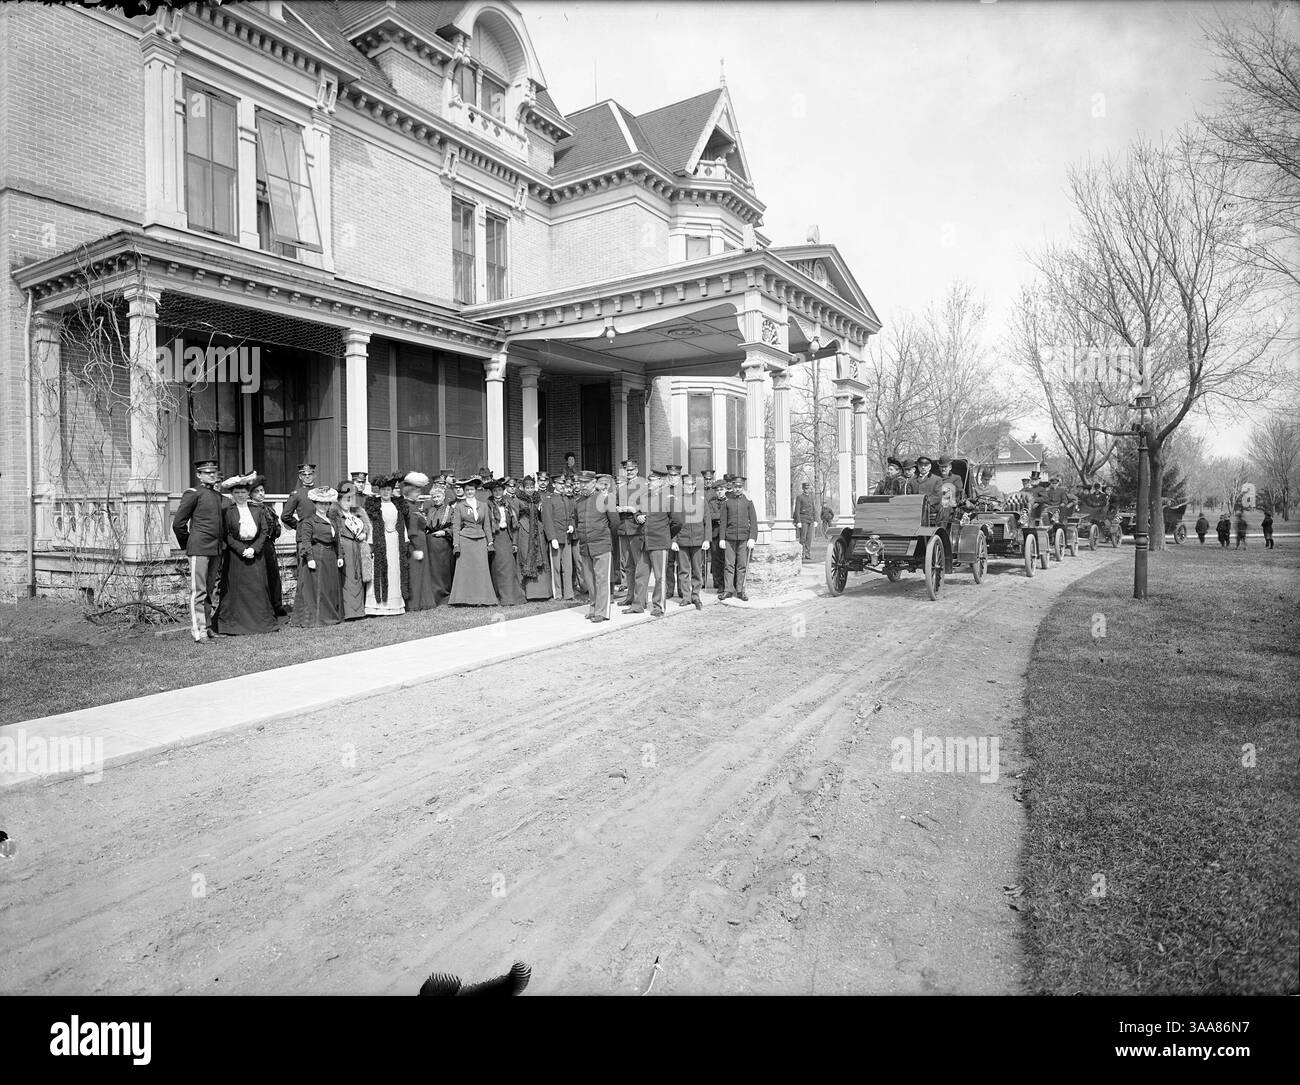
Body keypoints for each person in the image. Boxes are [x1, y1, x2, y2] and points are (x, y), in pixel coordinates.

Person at [172, 457, 228, 642]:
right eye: (207, 473)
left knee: (210, 590)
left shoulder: (218, 495)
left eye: (214, 472)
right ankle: (198, 631)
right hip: (199, 549)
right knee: (199, 591)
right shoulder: (193, 493)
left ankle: (207, 627)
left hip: (215, 549)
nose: (212, 475)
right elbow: (178, 524)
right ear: (198, 475)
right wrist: (190, 544)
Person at [214, 474, 277, 636]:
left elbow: (264, 531)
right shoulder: (227, 512)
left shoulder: (257, 511)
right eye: (237, 493)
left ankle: (260, 622)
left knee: (257, 587)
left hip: (256, 555)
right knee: (235, 588)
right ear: (232, 495)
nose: (240, 496)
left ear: (248, 494)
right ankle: (234, 623)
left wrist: (254, 549)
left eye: (243, 493)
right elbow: (226, 534)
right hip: (236, 555)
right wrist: (241, 549)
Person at [294, 486, 344, 627]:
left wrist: (340, 555)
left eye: (327, 503)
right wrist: (309, 558)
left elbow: (337, 540)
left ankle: (330, 614)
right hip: (317, 555)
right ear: (315, 504)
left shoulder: (332, 521)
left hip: (330, 557)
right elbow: (306, 541)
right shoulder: (309, 521)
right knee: (318, 588)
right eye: (321, 503)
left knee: (330, 587)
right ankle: (319, 617)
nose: (324, 506)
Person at [574, 471, 620, 623]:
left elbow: (615, 523)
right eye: (580, 483)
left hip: (601, 545)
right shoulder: (579, 501)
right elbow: (576, 521)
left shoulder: (605, 499)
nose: (583, 486)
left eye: (586, 483)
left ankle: (602, 611)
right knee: (590, 580)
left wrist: (603, 536)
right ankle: (593, 608)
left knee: (602, 579)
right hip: (585, 546)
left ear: (594, 483)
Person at [449, 476, 498, 605]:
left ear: (475, 491)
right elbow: (456, 527)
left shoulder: (483, 505)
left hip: (480, 540)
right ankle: (463, 599)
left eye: (472, 489)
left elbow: (487, 525)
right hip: (465, 540)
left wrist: (490, 542)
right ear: (464, 491)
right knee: (465, 571)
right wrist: (456, 544)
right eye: (467, 490)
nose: (470, 492)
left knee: (481, 570)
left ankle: (483, 599)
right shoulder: (459, 506)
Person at [364, 474, 408, 617]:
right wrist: (371, 545)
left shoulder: (397, 505)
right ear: (379, 490)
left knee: (394, 570)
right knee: (380, 568)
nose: (386, 492)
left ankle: (394, 605)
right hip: (380, 540)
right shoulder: (375, 506)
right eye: (383, 489)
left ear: (392, 490)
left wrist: (404, 540)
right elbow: (371, 525)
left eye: (388, 489)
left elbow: (401, 524)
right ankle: (377, 606)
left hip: (395, 541)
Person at [640, 469, 682, 617]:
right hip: (645, 541)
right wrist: (638, 516)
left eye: (651, 480)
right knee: (641, 574)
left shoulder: (668, 498)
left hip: (659, 541)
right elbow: (639, 512)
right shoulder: (645, 497)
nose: (648, 483)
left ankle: (659, 606)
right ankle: (638, 604)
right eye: (648, 480)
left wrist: (666, 535)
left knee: (660, 577)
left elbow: (677, 521)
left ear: (660, 482)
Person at [614, 458, 649, 614]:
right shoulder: (621, 488)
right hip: (624, 528)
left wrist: (633, 508)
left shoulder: (643, 485)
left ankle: (640, 600)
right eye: (627, 470)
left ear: (637, 469)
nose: (629, 472)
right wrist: (618, 508)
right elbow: (613, 504)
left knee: (639, 566)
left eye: (632, 470)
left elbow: (648, 504)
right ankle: (630, 596)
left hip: (636, 528)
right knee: (628, 565)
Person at [249, 477, 287, 616]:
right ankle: (262, 607)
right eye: (257, 491)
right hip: (255, 546)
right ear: (251, 494)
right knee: (259, 576)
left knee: (273, 575)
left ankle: (276, 605)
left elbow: (277, 529)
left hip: (269, 545)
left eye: (262, 491)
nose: (261, 494)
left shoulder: (269, 509)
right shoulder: (248, 509)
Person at [336, 479, 372, 620]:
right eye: (345, 498)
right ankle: (349, 612)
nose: (348, 501)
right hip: (344, 548)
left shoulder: (358, 512)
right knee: (348, 578)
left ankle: (359, 611)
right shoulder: (335, 513)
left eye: (350, 498)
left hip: (358, 548)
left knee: (358, 577)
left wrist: (364, 534)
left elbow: (367, 527)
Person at [719, 474, 758, 601]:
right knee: (729, 565)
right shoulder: (726, 502)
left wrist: (752, 538)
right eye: (735, 486)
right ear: (732, 487)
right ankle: (728, 590)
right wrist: (721, 539)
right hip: (729, 538)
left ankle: (741, 590)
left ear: (743, 488)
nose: (737, 489)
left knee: (741, 565)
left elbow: (753, 521)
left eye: (740, 487)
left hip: (743, 539)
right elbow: (723, 522)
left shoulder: (748, 502)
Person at [402, 472, 437, 612]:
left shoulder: (415, 506)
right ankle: (414, 603)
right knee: (415, 574)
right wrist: (416, 547)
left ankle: (423, 601)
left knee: (422, 572)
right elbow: (411, 530)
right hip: (415, 544)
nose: (418, 494)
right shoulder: (409, 507)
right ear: (408, 493)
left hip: (421, 542)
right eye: (416, 492)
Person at [487, 478, 525, 605]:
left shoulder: (508, 504)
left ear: (503, 491)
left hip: (507, 537)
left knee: (510, 567)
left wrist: (514, 542)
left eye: (499, 490)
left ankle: (514, 596)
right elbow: (486, 525)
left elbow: (514, 525)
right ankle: (503, 596)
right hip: (495, 537)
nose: (497, 493)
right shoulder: (488, 505)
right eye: (495, 491)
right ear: (491, 492)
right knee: (499, 568)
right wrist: (490, 542)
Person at [675, 472, 709, 610]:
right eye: (687, 484)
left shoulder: (701, 500)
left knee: (697, 570)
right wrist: (673, 540)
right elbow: (673, 522)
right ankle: (686, 597)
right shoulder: (677, 500)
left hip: (698, 540)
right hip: (682, 540)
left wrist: (707, 539)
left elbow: (707, 521)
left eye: (692, 484)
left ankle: (696, 596)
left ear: (695, 486)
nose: (689, 487)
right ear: (683, 486)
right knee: (683, 570)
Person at [515, 476, 552, 601]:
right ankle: (528, 592)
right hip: (525, 530)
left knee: (541, 554)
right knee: (526, 555)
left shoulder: (538, 498)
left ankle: (543, 592)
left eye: (532, 487)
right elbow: (514, 516)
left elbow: (542, 515)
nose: (530, 490)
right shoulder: (518, 499)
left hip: (537, 529)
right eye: (527, 488)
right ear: (523, 488)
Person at [541, 474, 575, 600]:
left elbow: (572, 515)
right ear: (554, 485)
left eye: (563, 484)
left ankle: (569, 593)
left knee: (568, 567)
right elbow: (547, 520)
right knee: (556, 567)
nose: (562, 486)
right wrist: (552, 538)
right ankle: (558, 593)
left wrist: (572, 525)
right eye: (559, 484)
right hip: (556, 537)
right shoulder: (548, 499)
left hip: (566, 536)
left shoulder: (566, 498)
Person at [424, 481, 455, 606]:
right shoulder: (431, 510)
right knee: (433, 571)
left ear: (444, 497)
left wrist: (444, 532)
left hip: (443, 543)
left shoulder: (450, 510)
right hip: (430, 543)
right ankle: (434, 596)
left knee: (443, 571)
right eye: (434, 497)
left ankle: (444, 595)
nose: (436, 499)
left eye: (438, 496)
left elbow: (456, 527)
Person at [280, 462, 317, 530]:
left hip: (320, 533)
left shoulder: (319, 492)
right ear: (300, 476)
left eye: (310, 474)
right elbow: (285, 516)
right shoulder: (296, 494)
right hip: (304, 533)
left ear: (314, 475)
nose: (307, 476)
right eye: (304, 474)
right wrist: (299, 526)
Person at [708, 474, 727, 590]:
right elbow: (710, 516)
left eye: (721, 489)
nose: (719, 492)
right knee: (716, 560)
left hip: (726, 535)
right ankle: (718, 583)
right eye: (717, 490)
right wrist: (722, 517)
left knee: (726, 559)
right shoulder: (712, 503)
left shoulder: (729, 502)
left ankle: (727, 583)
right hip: (715, 534)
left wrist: (719, 517)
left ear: (725, 490)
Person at [794, 482, 817, 560]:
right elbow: (797, 510)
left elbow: (813, 509)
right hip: (803, 520)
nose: (807, 490)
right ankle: (801, 554)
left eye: (808, 488)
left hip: (810, 520)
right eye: (805, 488)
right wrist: (798, 521)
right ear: (803, 489)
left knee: (809, 538)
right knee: (803, 538)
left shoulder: (811, 497)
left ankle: (807, 554)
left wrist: (815, 519)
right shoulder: (799, 497)